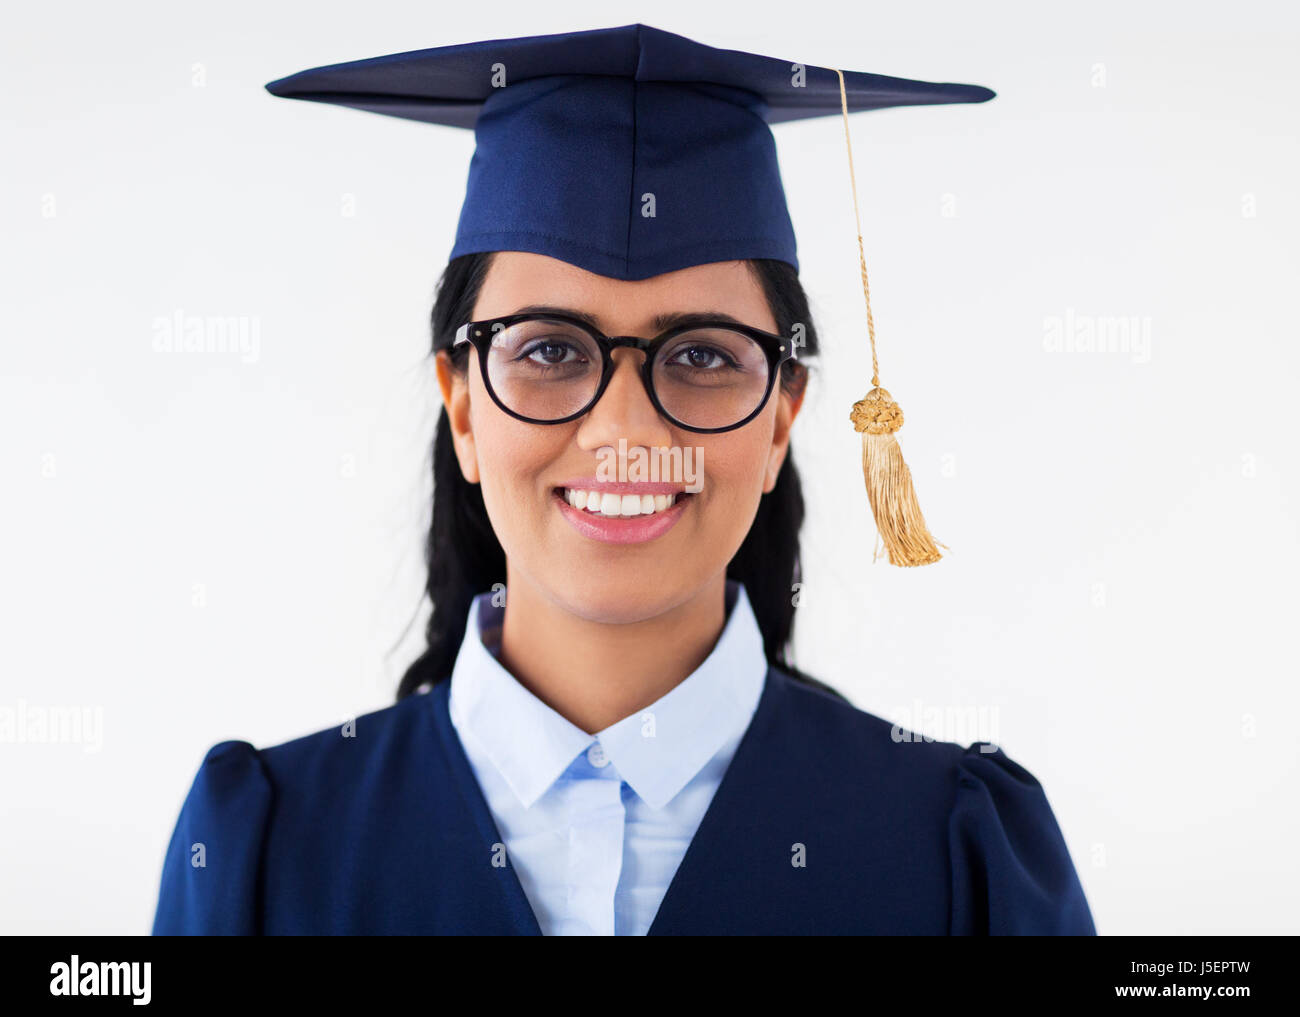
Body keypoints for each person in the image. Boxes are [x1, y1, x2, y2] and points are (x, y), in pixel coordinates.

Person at [151, 23, 1096, 936]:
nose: (623, 431)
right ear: (464, 405)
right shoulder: (265, 850)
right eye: (551, 350)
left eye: (703, 356)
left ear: (781, 417)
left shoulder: (955, 851)